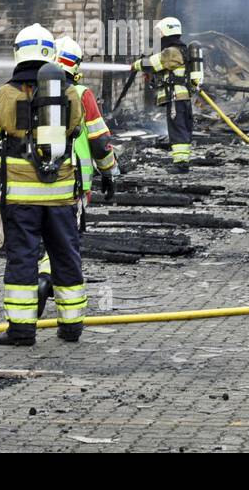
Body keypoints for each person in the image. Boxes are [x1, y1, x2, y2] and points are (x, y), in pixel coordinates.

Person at [0, 24, 87, 346]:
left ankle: (22, 330)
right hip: (61, 195)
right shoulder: (69, 92)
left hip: (22, 197)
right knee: (65, 256)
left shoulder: (6, 93)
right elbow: (77, 128)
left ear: (18, 52)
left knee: (23, 259)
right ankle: (71, 326)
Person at [34, 35, 121, 314]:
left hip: (32, 181)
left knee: (38, 237)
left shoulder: (32, 89)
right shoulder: (82, 94)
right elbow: (99, 141)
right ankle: (47, 282)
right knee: (63, 240)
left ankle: (29, 293)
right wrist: (109, 172)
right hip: (73, 182)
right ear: (76, 65)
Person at [131, 16, 201, 172]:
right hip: (180, 98)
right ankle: (181, 162)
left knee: (177, 129)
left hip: (176, 98)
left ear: (167, 32)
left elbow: (153, 63)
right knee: (180, 128)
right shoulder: (178, 50)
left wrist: (136, 65)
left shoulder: (172, 52)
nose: (159, 37)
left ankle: (181, 165)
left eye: (160, 33)